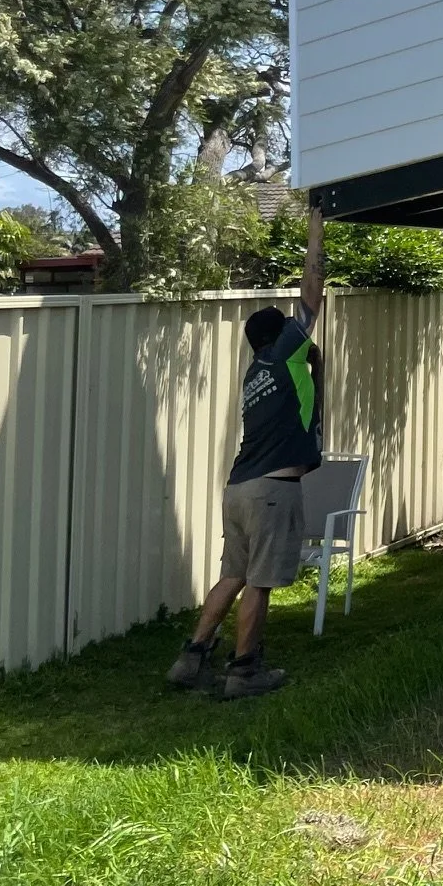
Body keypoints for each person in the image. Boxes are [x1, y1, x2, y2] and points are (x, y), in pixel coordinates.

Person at [167, 206, 326, 698]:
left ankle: (190, 661)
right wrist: (316, 226)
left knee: (231, 574)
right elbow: (312, 294)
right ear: (277, 338)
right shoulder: (285, 355)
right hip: (273, 491)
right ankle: (244, 670)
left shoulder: (256, 371)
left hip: (238, 488)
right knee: (258, 582)